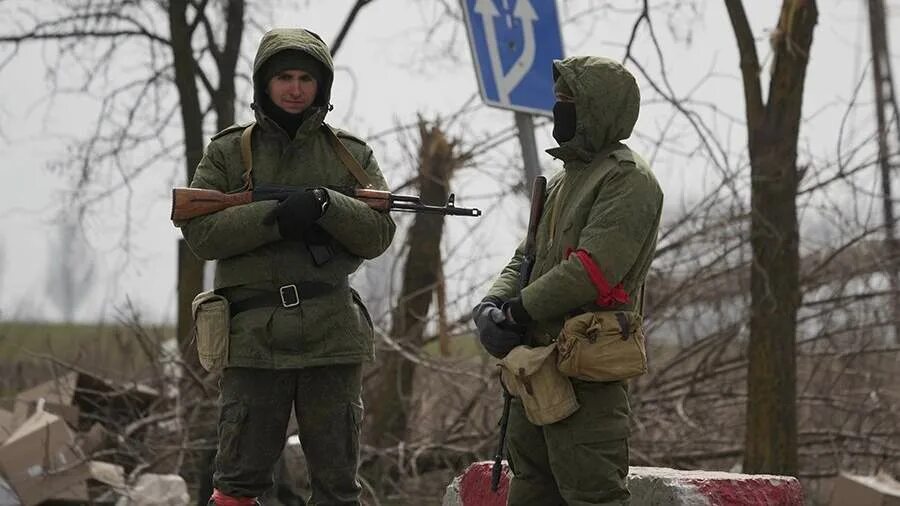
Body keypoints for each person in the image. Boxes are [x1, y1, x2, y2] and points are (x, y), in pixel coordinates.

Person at [180, 27, 396, 506]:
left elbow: (378, 234)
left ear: (321, 85)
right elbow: (201, 233)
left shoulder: (350, 155)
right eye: (284, 78)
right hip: (253, 336)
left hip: (331, 336)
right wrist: (276, 219)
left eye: (305, 79)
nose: (295, 89)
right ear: (265, 83)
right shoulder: (228, 152)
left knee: (338, 486)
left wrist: (327, 205)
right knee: (236, 483)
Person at [473, 56, 663, 505]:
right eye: (557, 100)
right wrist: (491, 306)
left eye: (569, 102)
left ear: (598, 109)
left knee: (592, 494)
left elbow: (591, 270)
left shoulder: (627, 180)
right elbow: (526, 257)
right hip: (536, 368)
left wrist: (518, 311)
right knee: (531, 488)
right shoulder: (563, 181)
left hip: (587, 371)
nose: (559, 110)